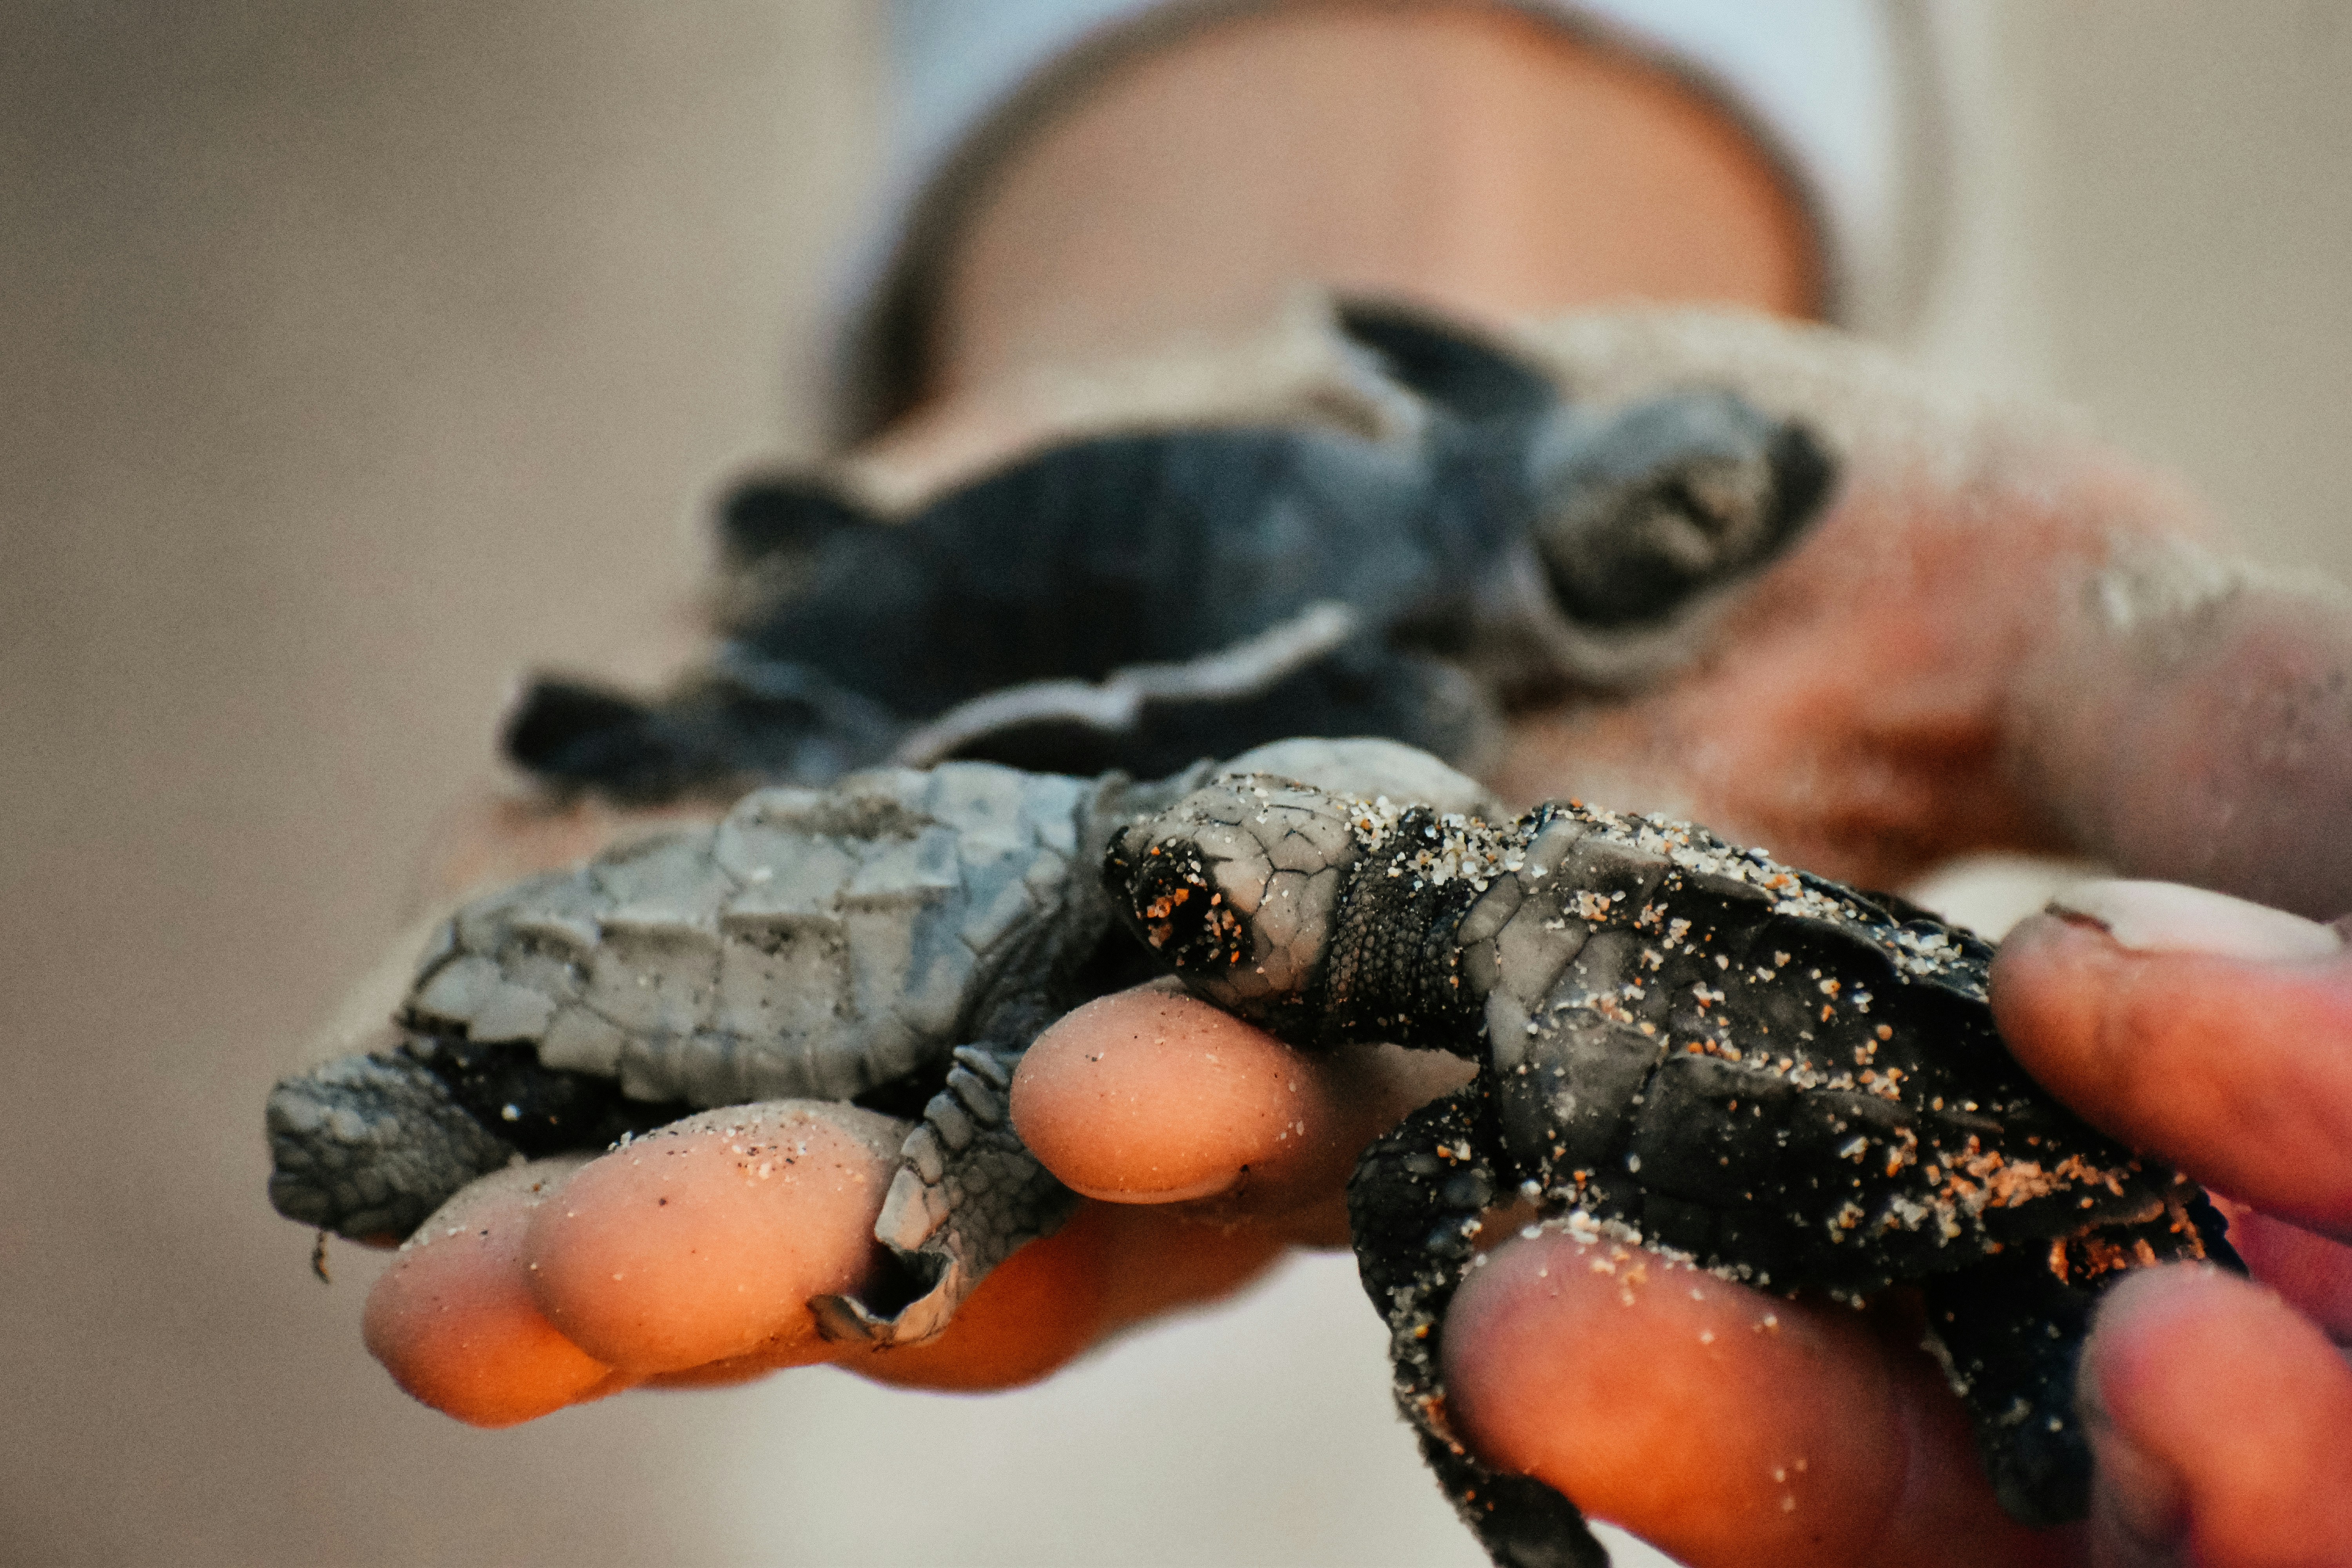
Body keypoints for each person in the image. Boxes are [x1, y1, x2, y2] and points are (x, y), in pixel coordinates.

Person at [358, 6, 2352, 1564]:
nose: (1173, 913)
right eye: (1199, 913)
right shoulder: (1506, 947)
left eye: (1210, 921)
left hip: (2000, 1205)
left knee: (2040, 1414)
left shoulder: (1463, 1077)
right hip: (1888, 1143)